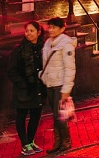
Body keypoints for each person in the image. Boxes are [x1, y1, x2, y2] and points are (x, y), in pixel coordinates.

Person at [7, 21, 45, 156]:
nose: (28, 33)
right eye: (27, 31)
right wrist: (22, 83)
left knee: (36, 116)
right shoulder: (19, 49)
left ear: (38, 32)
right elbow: (11, 70)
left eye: (31, 31)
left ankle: (31, 141)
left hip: (38, 87)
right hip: (23, 89)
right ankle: (25, 144)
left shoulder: (42, 48)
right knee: (21, 116)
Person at [39, 17, 76, 154]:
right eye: (50, 27)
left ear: (62, 28)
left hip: (60, 85)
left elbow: (70, 68)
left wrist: (66, 89)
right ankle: (58, 142)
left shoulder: (66, 44)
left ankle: (65, 141)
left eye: (54, 27)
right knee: (56, 115)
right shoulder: (48, 43)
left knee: (60, 115)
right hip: (50, 83)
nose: (51, 30)